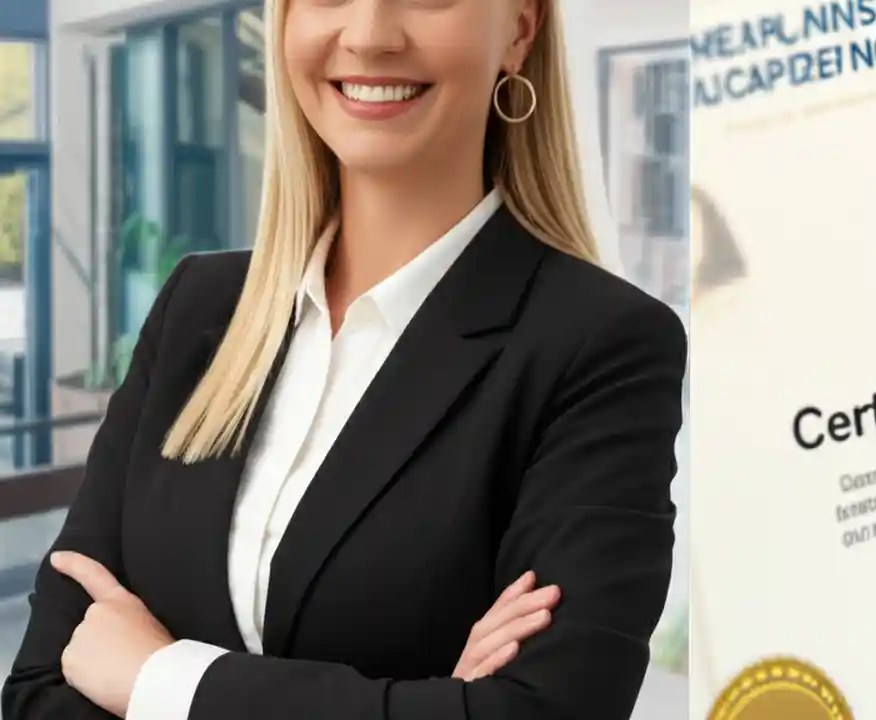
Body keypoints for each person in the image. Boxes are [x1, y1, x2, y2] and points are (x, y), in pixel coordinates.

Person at [1, 0, 686, 718]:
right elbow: (40, 693)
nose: (368, 35)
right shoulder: (196, 308)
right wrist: (426, 703)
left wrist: (161, 680)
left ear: (519, 28)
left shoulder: (601, 346)